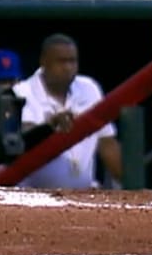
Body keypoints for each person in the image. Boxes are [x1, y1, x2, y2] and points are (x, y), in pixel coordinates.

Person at [14, 34, 123, 190]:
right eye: (61, 61)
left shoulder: (89, 88)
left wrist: (134, 186)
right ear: (44, 62)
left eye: (72, 61)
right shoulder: (22, 92)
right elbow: (22, 138)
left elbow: (107, 143)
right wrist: (50, 125)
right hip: (34, 196)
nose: (68, 67)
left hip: (83, 196)